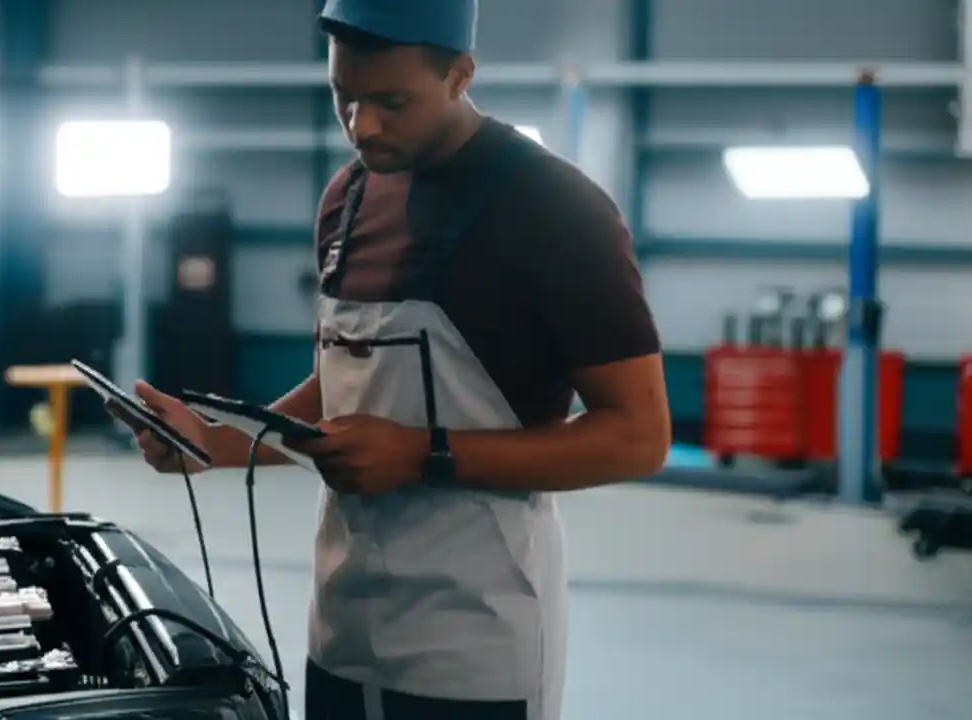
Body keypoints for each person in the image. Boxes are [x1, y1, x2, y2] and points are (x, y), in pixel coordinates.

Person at [127, 0, 671, 718]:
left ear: (460, 74)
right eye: (343, 97)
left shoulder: (555, 209)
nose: (362, 127)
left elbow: (638, 435)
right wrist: (213, 442)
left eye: (392, 102)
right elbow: (345, 384)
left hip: (476, 643)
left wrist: (426, 455)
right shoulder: (347, 198)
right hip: (343, 626)